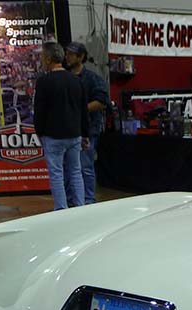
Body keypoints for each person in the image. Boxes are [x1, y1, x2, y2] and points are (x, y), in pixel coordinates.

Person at [33, 42, 88, 210]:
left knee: (56, 174)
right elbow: (83, 110)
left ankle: (61, 210)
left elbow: (39, 111)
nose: (41, 61)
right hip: (74, 134)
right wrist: (85, 133)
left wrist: (39, 132)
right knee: (76, 172)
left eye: (42, 57)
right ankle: (80, 207)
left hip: (53, 135)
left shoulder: (43, 82)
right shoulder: (76, 80)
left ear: (48, 59)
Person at [63, 41, 108, 205]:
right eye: (66, 53)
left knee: (85, 167)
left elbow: (102, 102)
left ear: (81, 56)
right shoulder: (64, 77)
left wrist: (80, 110)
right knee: (67, 169)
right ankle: (71, 201)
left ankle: (88, 201)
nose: (67, 57)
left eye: (71, 54)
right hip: (67, 130)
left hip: (88, 130)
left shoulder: (92, 78)